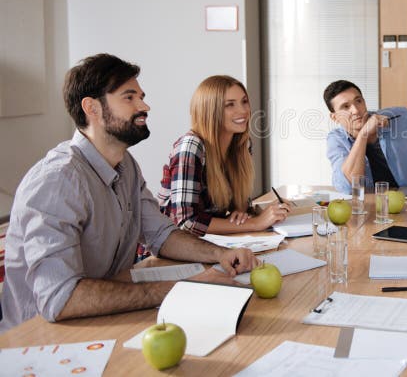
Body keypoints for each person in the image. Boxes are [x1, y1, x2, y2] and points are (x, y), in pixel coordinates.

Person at [0, 54, 259, 333]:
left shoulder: (125, 166)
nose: (144, 106)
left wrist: (220, 255)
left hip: (101, 316)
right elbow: (60, 299)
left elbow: (162, 235)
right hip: (41, 338)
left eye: (141, 96)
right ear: (92, 108)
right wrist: (186, 287)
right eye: (129, 97)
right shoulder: (57, 180)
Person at [156, 75, 289, 239]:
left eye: (244, 101)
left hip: (206, 245)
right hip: (165, 251)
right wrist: (255, 223)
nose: (243, 111)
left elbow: (239, 210)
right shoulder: (191, 145)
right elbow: (186, 221)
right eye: (230, 105)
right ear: (210, 110)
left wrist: (264, 211)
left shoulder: (242, 145)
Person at [324, 80, 407, 193]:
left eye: (358, 101)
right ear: (334, 117)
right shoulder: (336, 140)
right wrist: (363, 135)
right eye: (345, 107)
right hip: (371, 208)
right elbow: (349, 187)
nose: (355, 110)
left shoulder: (400, 117)